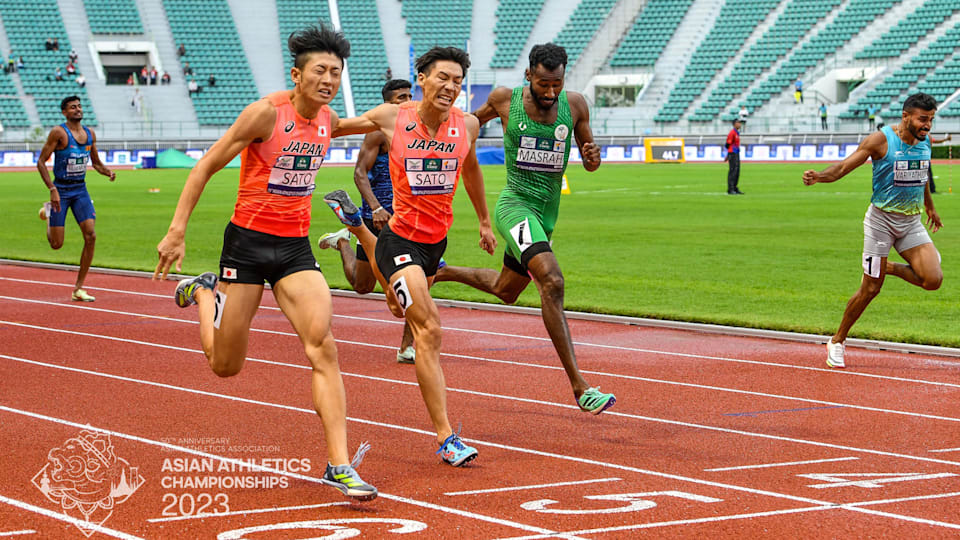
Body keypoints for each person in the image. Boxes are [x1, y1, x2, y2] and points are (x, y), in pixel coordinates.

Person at [153, 24, 378, 501]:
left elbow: (367, 121)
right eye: (320, 70)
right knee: (225, 366)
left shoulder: (328, 119)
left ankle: (338, 464)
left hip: (295, 249)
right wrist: (177, 230)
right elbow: (206, 164)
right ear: (297, 74)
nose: (329, 78)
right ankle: (202, 292)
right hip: (247, 247)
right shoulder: (264, 115)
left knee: (324, 346)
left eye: (336, 72)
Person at [326, 46, 497, 467]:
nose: (451, 87)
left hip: (434, 244)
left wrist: (484, 221)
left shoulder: (468, 125)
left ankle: (357, 233)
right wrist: (288, 118)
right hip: (399, 239)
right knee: (429, 330)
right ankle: (446, 437)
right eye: (443, 77)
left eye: (457, 80)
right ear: (421, 78)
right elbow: (335, 127)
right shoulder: (391, 117)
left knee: (405, 309)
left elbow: (471, 169)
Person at [432, 43, 617, 416]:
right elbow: (467, 124)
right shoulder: (504, 100)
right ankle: (580, 387)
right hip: (514, 207)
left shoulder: (576, 105)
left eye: (557, 85)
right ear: (529, 75)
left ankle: (441, 271)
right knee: (552, 281)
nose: (550, 93)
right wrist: (442, 148)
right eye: (544, 84)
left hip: (546, 217)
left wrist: (593, 157)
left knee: (507, 290)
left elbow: (589, 157)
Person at [802, 93, 943, 368]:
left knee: (932, 279)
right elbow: (844, 167)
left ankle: (886, 267)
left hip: (911, 222)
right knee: (870, 289)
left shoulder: (924, 142)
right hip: (881, 223)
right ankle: (838, 340)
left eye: (931, 120)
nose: (927, 125)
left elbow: (922, 174)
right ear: (906, 117)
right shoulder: (881, 140)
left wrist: (930, 207)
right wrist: (819, 176)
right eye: (923, 119)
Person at [316, 78, 418, 364]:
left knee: (411, 283)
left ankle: (406, 346)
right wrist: (375, 208)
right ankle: (344, 241)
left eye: (410, 96)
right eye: (401, 97)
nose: (407, 101)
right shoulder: (377, 133)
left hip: (406, 220)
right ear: (388, 102)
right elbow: (360, 173)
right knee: (363, 285)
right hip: (378, 216)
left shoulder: (416, 130)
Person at [37, 96, 115, 302]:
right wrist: (52, 188)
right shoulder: (59, 133)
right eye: (73, 107)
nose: (78, 110)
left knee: (91, 236)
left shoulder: (89, 134)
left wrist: (107, 172)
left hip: (80, 190)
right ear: (64, 112)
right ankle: (48, 212)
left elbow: (96, 163)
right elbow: (41, 162)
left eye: (79, 106)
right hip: (60, 190)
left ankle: (78, 288)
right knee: (56, 244)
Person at [725, 119, 743, 194]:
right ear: (734, 124)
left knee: (737, 171)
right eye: (738, 123)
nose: (740, 124)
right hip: (732, 153)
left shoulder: (736, 133)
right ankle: (730, 188)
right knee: (733, 171)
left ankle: (735, 187)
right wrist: (728, 154)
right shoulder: (732, 133)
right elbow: (727, 144)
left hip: (736, 152)